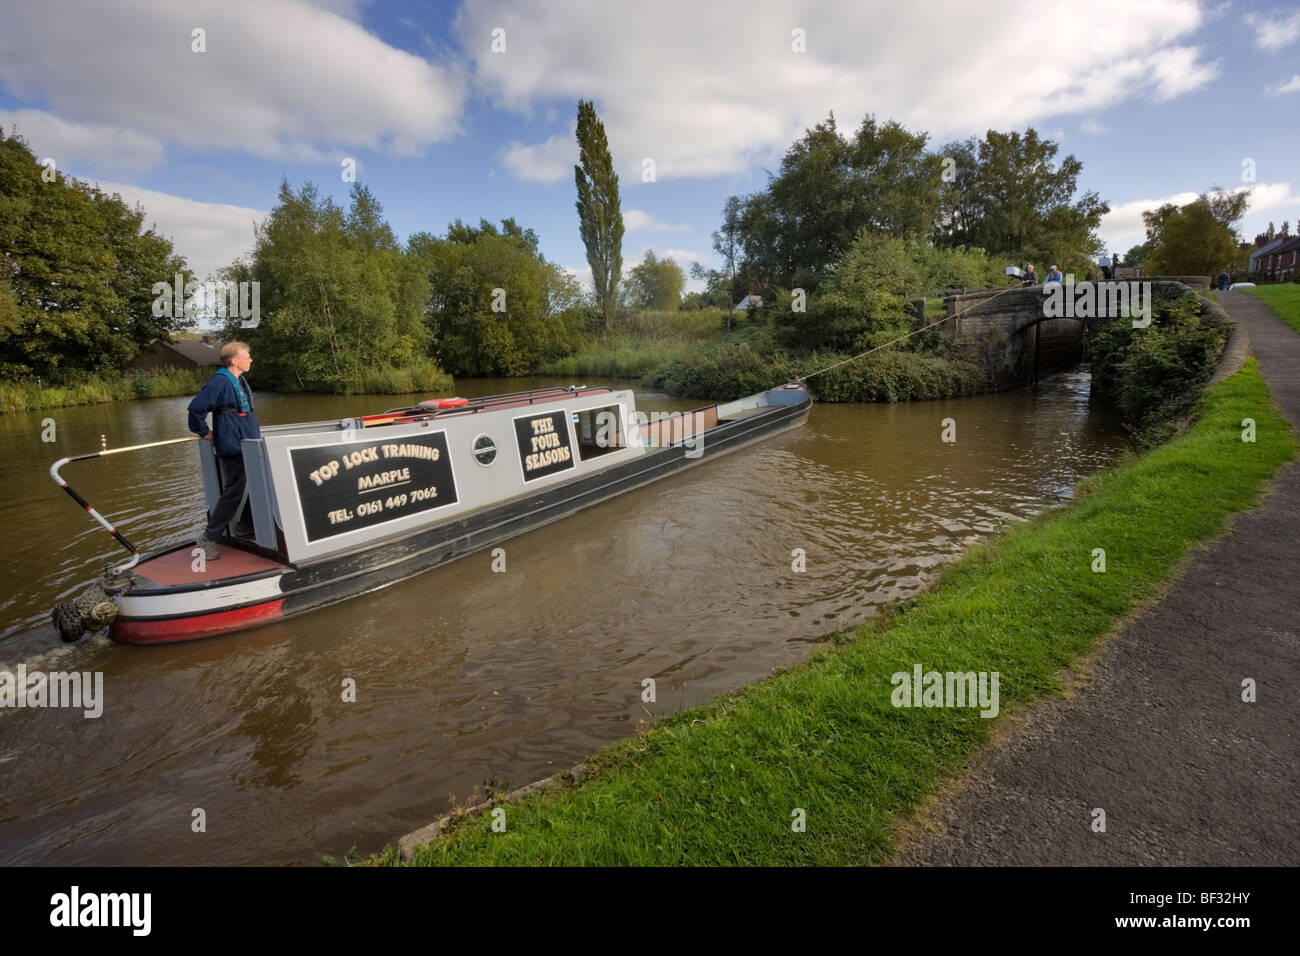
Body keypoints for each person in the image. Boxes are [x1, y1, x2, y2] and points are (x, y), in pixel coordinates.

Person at [188, 342, 261, 559]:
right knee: (234, 491)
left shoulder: (239, 380)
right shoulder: (219, 383)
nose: (251, 359)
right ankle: (208, 538)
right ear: (234, 361)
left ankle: (245, 526)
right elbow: (196, 408)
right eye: (247, 356)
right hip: (233, 443)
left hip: (248, 441)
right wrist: (203, 431)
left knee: (259, 484)